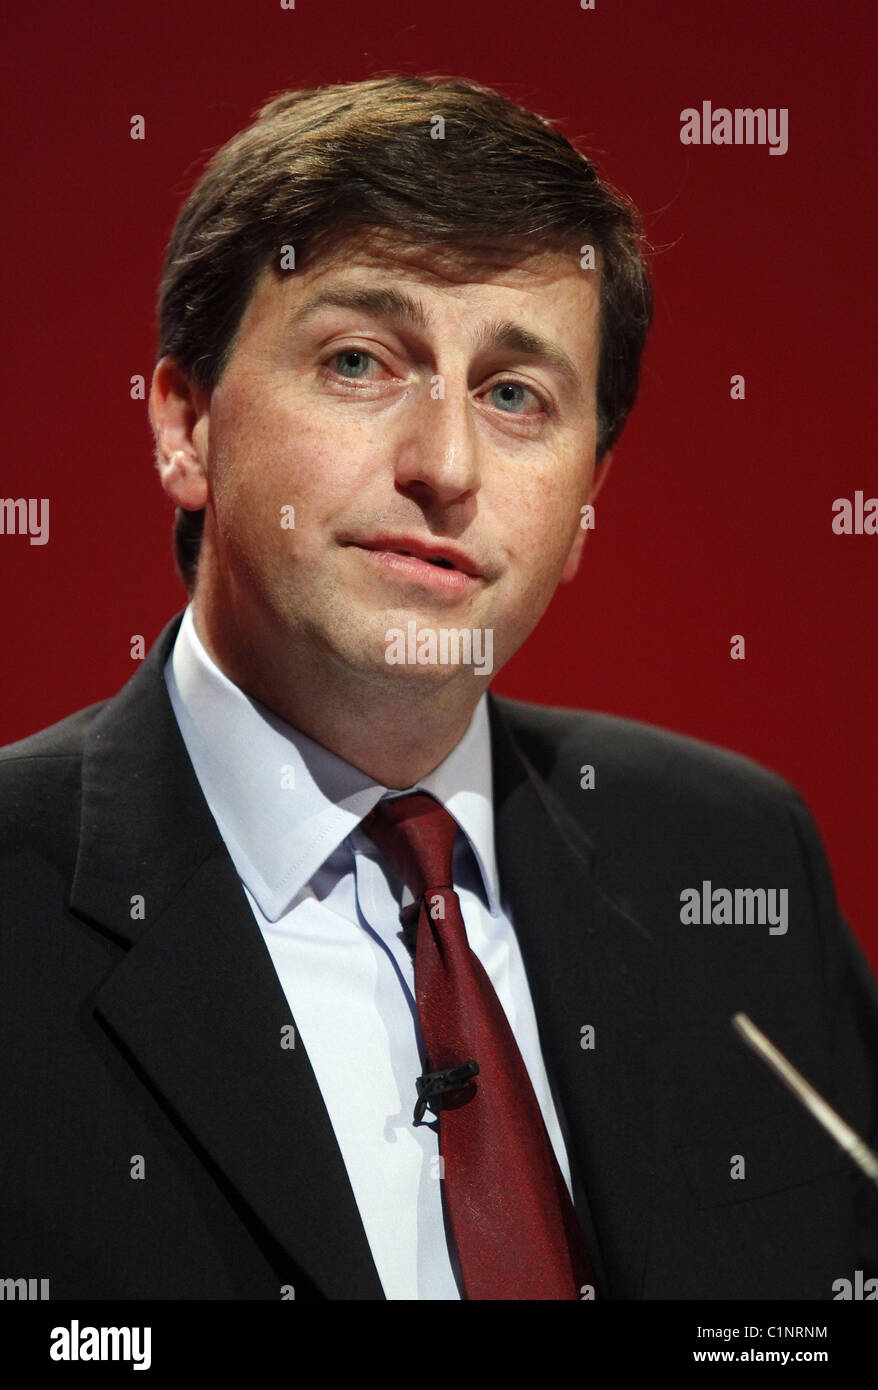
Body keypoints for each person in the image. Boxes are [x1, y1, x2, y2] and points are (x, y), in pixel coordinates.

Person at [1, 74, 876, 1302]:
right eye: (360, 361)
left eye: (514, 393)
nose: (445, 465)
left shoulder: (730, 852)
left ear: (584, 509)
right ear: (185, 426)